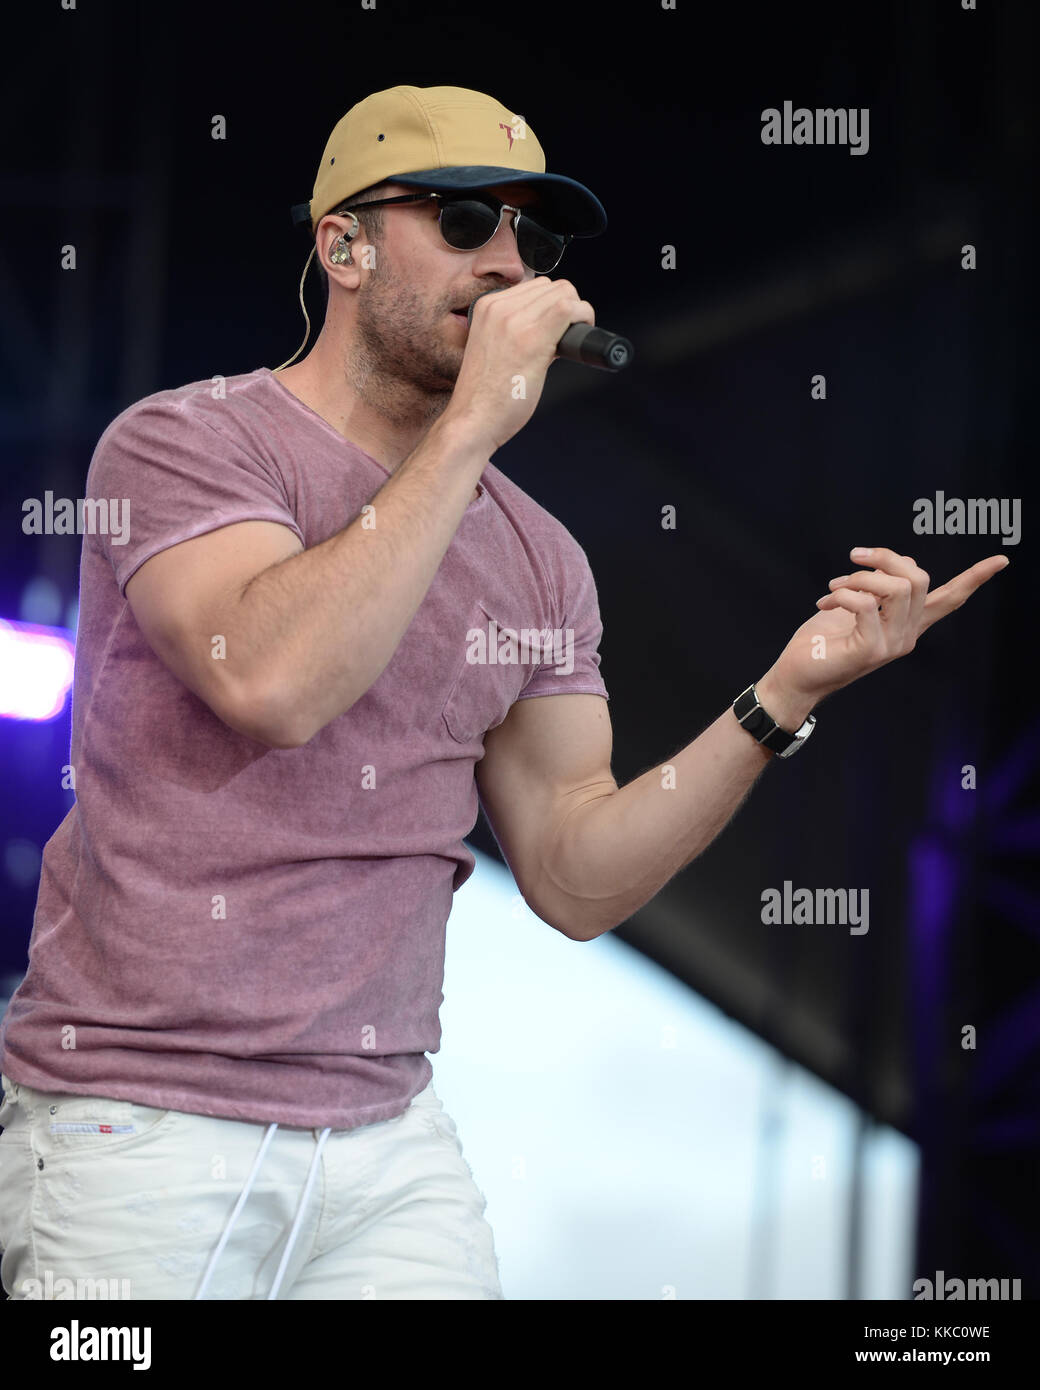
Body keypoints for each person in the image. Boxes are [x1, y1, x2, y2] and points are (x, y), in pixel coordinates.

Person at [0, 84, 1009, 1302]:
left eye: (533, 234)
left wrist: (783, 692)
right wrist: (472, 426)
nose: (508, 261)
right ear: (344, 244)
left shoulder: (537, 557)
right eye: (467, 220)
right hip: (141, 1127)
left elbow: (576, 874)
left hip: (387, 1144)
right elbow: (270, 683)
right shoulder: (188, 444)